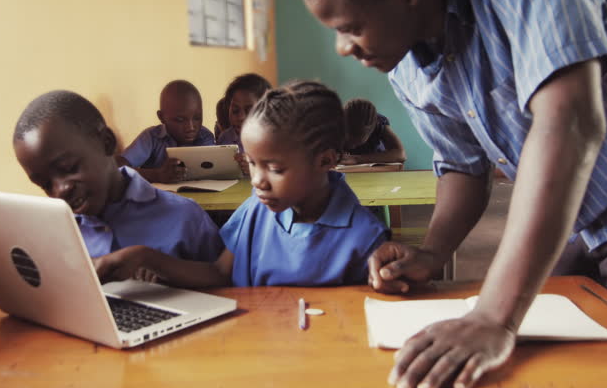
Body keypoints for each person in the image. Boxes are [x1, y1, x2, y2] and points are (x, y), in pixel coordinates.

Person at [299, 0, 607, 388]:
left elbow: (570, 123)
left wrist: (493, 316)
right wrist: (433, 252)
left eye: (349, 27)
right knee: (540, 365)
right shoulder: (405, 60)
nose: (344, 47)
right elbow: (464, 164)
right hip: (580, 220)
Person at [93, 80, 390, 288]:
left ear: (325, 161)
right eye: (251, 163)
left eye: (274, 168)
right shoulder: (256, 210)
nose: (258, 181)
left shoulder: (365, 238)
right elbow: (219, 272)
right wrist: (145, 257)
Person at [12, 90, 225, 275]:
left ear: (107, 143)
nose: (60, 190)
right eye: (45, 184)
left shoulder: (184, 217)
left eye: (69, 168)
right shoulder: (55, 235)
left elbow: (224, 281)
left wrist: (160, 266)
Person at [120, 79, 215, 183]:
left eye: (197, 118)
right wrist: (156, 175)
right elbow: (118, 167)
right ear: (161, 117)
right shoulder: (151, 137)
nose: (191, 127)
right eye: (180, 120)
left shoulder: (205, 137)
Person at [216, 73, 272, 175]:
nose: (240, 117)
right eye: (235, 110)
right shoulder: (225, 138)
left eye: (249, 111)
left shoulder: (275, 140)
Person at [342, 98, 406, 165]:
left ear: (372, 130)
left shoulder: (379, 123)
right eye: (348, 140)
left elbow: (401, 154)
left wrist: (356, 159)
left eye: (356, 143)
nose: (352, 147)